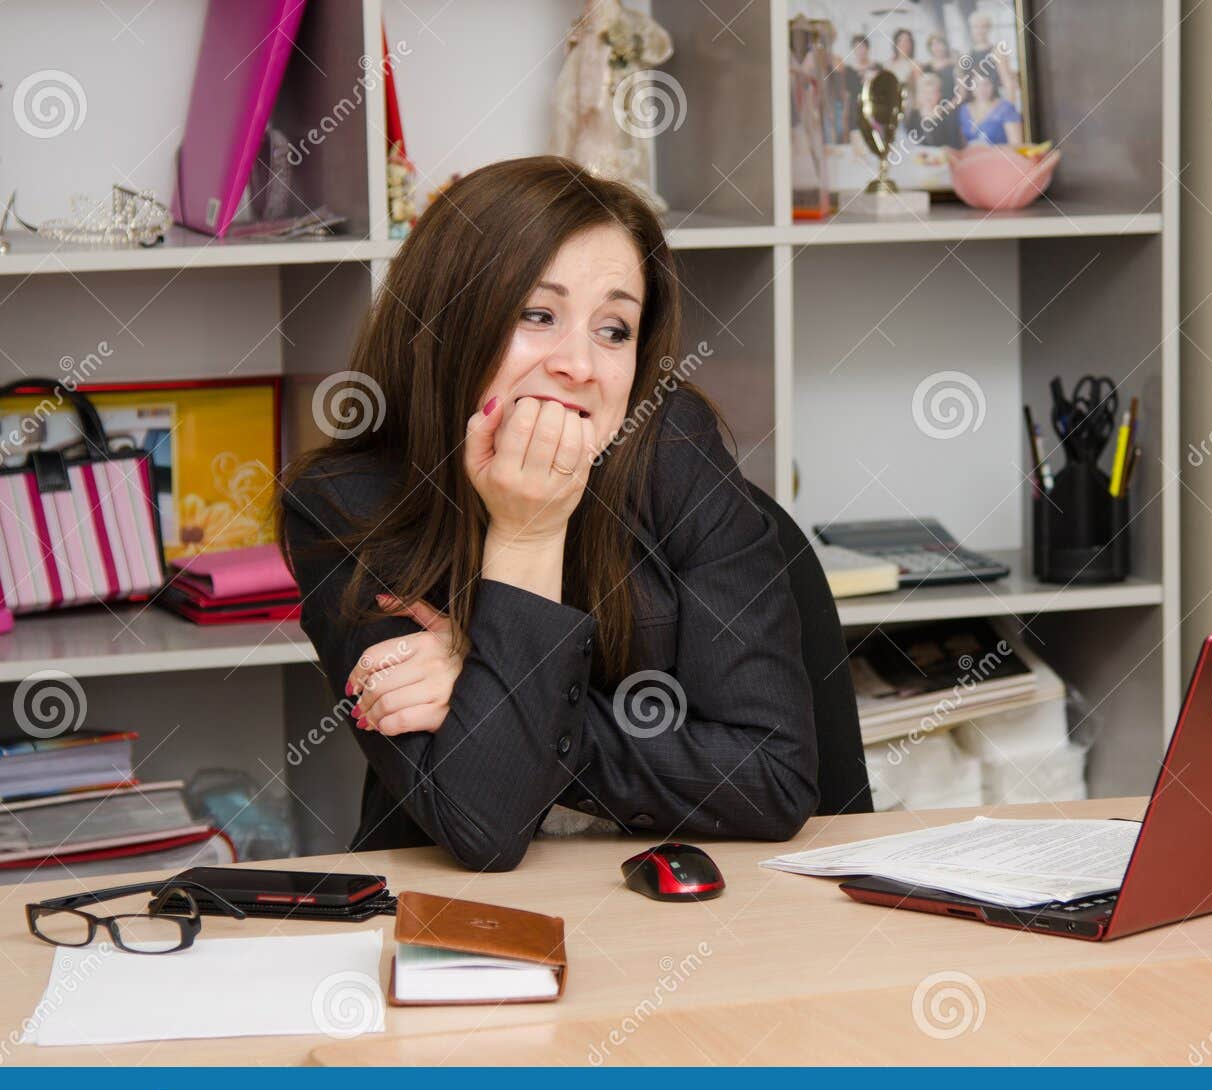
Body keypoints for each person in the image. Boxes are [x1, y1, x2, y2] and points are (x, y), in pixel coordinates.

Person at [277, 155, 820, 871]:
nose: (581, 365)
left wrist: (493, 688)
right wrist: (527, 532)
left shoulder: (673, 451)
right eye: (539, 315)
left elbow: (773, 777)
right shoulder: (340, 508)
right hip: (453, 918)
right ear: (447, 321)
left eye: (614, 329)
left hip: (674, 918)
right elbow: (482, 827)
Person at [958, 68, 1022, 145]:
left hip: (998, 156)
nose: (982, 89)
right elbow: (963, 145)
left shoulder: (1006, 108)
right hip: (972, 156)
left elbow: (1016, 145)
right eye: (977, 85)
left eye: (986, 84)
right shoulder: (964, 110)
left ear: (993, 85)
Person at [909, 71, 963, 149]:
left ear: (938, 95)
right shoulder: (913, 115)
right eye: (924, 92)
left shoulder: (947, 117)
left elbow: (954, 145)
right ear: (918, 94)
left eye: (932, 93)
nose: (928, 96)